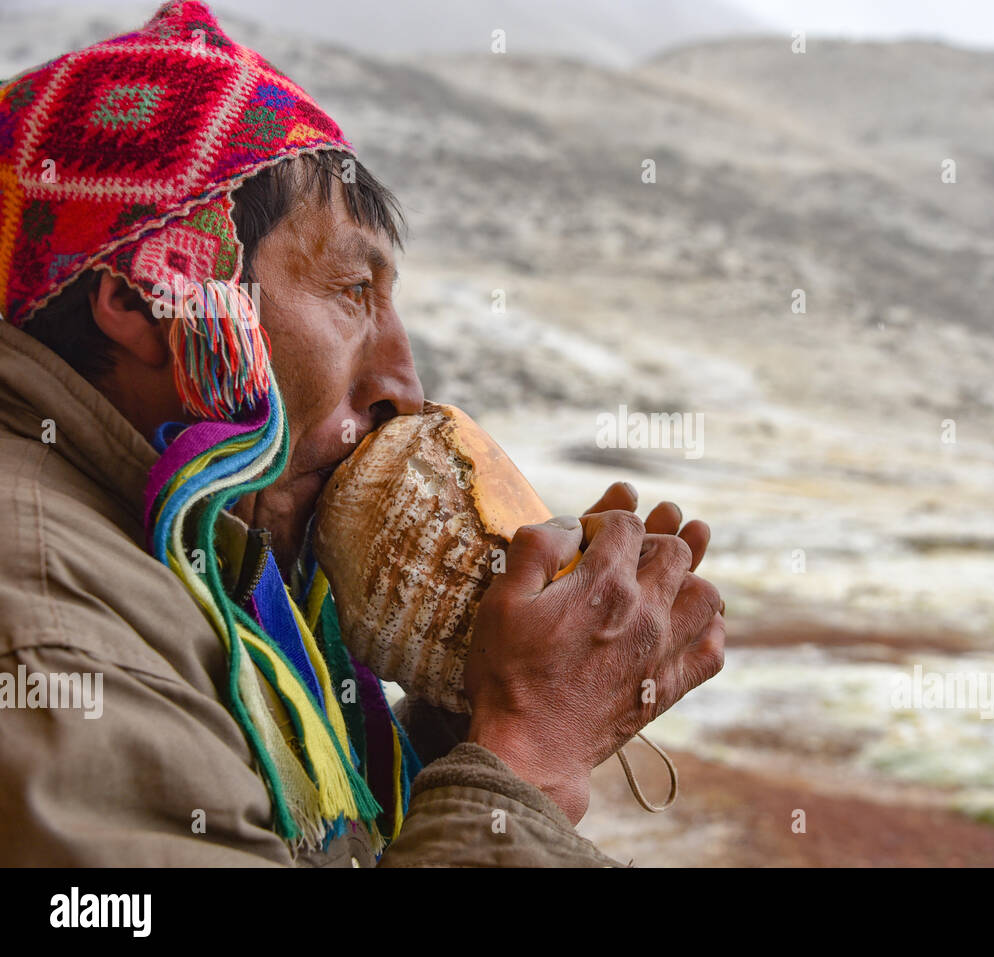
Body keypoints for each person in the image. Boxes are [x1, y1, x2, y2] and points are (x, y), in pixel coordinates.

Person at [0, 0, 724, 867]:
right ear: (146, 298)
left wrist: (469, 715)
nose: (404, 390)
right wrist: (525, 759)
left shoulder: (192, 564)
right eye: (352, 292)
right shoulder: (48, 620)